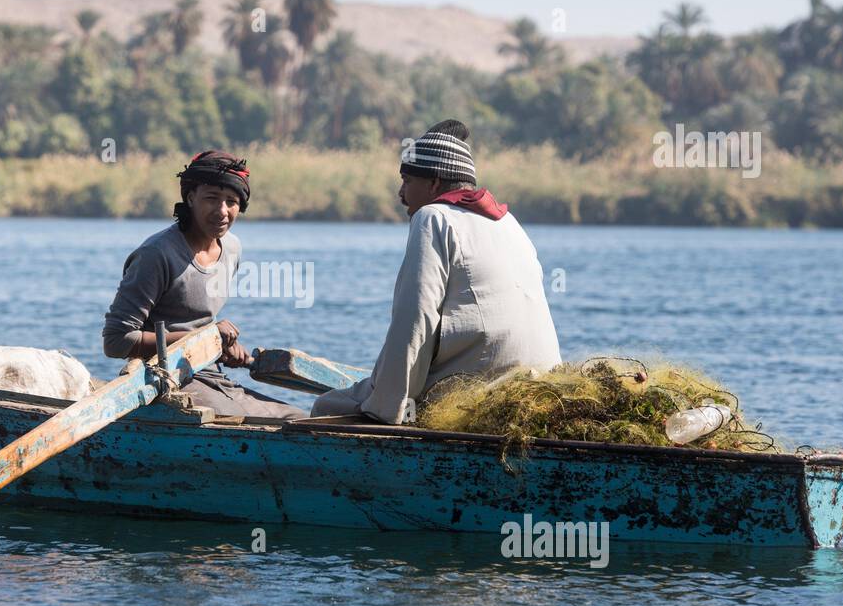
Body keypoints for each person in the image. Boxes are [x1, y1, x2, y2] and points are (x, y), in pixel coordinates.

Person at [310, 119, 560, 423]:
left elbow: (416, 319)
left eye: (407, 181)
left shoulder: (433, 217)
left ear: (434, 184)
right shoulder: (510, 223)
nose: (401, 194)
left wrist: (388, 408)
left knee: (326, 407)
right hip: (540, 387)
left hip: (474, 392)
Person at [102, 150, 304, 420]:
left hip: (210, 376)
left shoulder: (232, 248)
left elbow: (199, 321)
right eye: (211, 198)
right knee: (236, 422)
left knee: (297, 419)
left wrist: (221, 347)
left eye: (231, 201)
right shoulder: (156, 255)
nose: (222, 211)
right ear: (190, 198)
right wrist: (207, 337)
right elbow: (116, 342)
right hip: (162, 381)